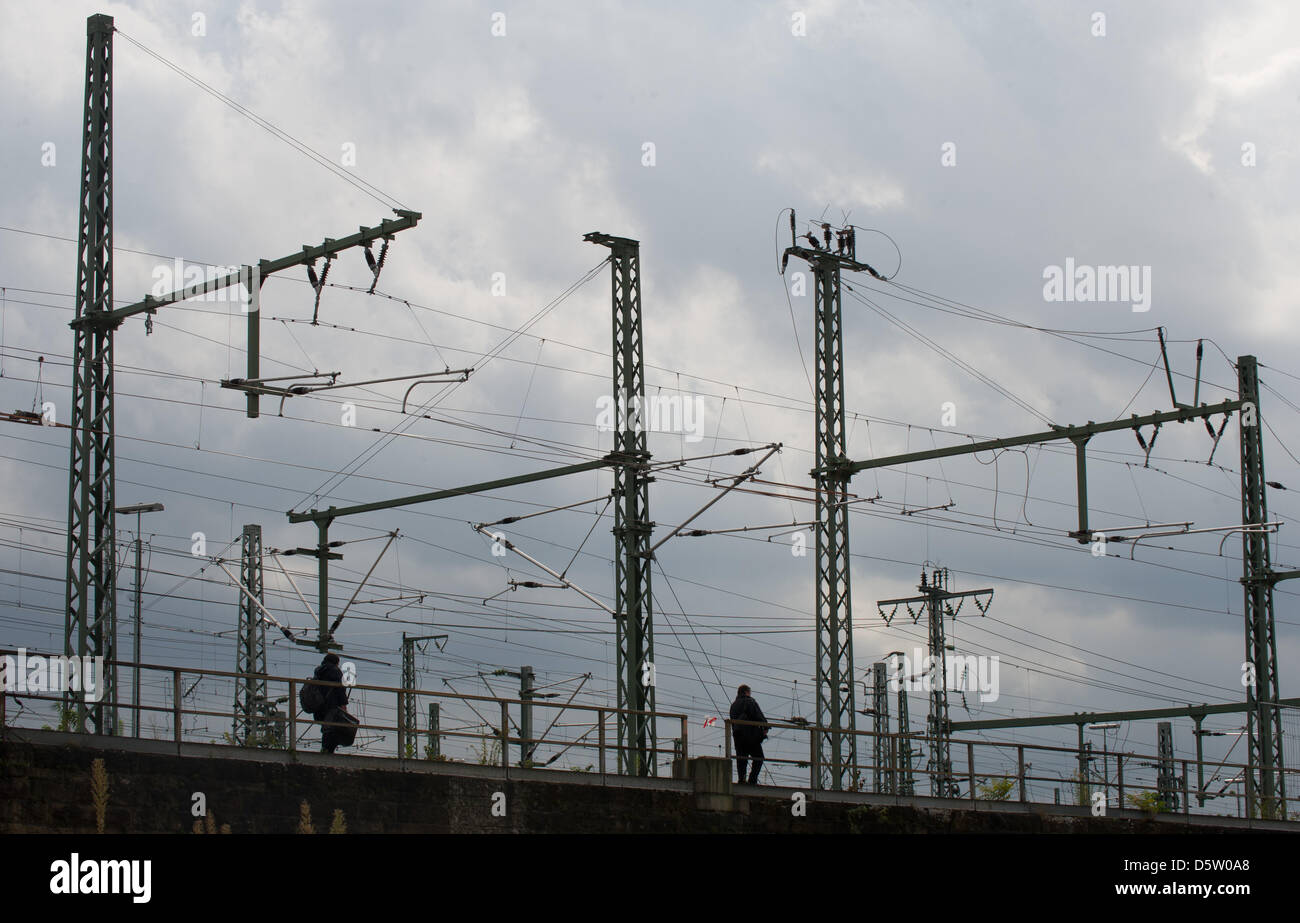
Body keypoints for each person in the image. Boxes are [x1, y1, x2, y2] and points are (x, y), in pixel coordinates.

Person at [729, 684, 769, 785]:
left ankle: (741, 780)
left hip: (738, 736)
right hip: (751, 736)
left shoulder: (733, 705)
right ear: (747, 692)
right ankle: (752, 779)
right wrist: (765, 727)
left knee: (741, 759)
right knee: (759, 758)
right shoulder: (750, 701)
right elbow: (759, 716)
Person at [313, 653, 350, 753]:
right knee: (332, 728)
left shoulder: (318, 671)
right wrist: (344, 705)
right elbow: (340, 690)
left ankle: (325, 748)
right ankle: (328, 750)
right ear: (336, 662)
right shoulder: (335, 671)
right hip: (332, 704)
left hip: (319, 705)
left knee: (326, 727)